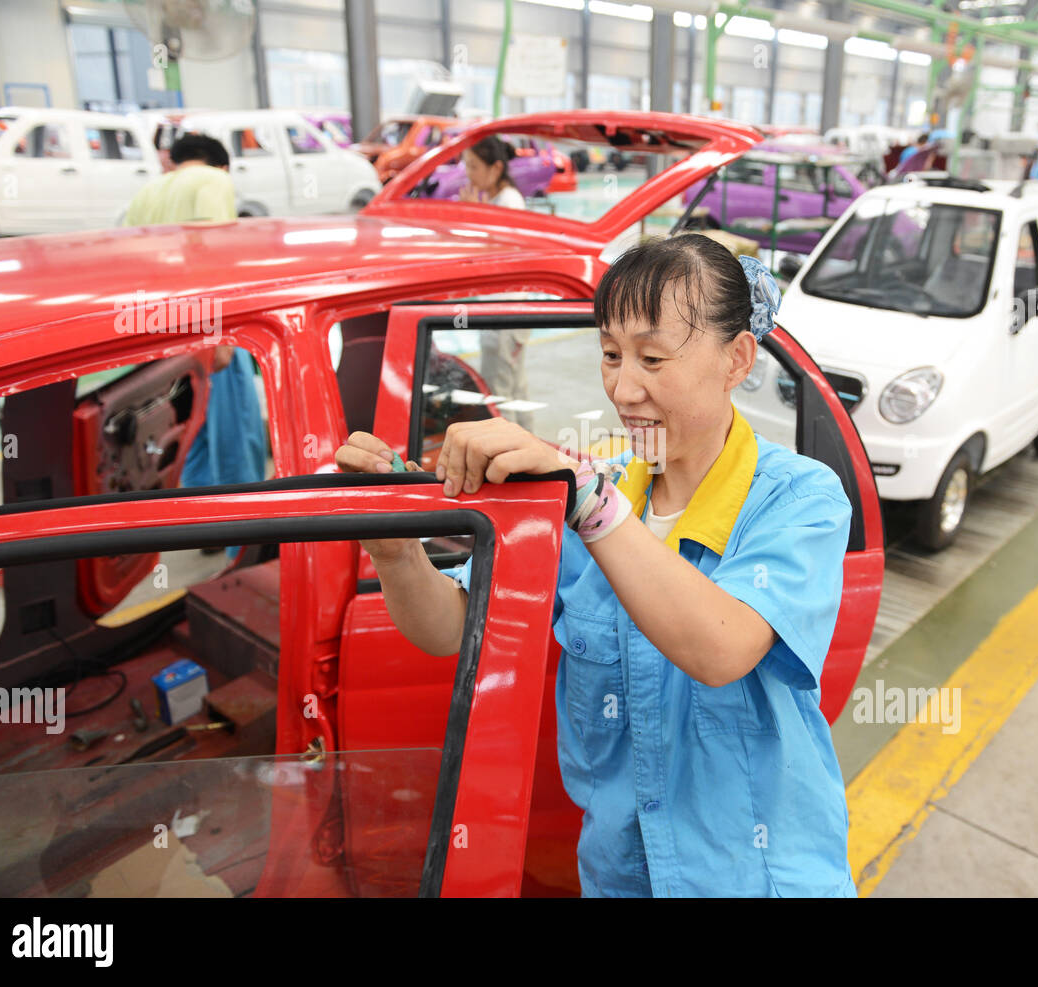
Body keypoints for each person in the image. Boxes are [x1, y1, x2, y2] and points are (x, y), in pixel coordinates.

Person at [335, 233, 856, 897]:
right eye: (610, 354)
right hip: (619, 875)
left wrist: (592, 504)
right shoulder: (591, 488)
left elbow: (720, 646)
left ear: (737, 359)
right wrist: (395, 546)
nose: (623, 386)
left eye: (653, 357)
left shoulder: (798, 498)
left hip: (758, 878)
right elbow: (453, 627)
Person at [124, 134, 266, 556]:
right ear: (221, 166)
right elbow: (214, 259)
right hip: (211, 334)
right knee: (235, 439)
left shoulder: (147, 193)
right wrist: (220, 338)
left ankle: (205, 531)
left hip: (165, 339)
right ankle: (244, 548)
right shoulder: (212, 182)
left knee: (194, 435)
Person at [458, 136, 533, 426]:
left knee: (500, 393)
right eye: (467, 166)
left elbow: (496, 257)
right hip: (505, 312)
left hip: (505, 314)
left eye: (474, 166)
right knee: (514, 388)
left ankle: (514, 458)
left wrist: (472, 217)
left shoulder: (508, 204)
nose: (468, 173)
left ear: (496, 168)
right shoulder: (498, 201)